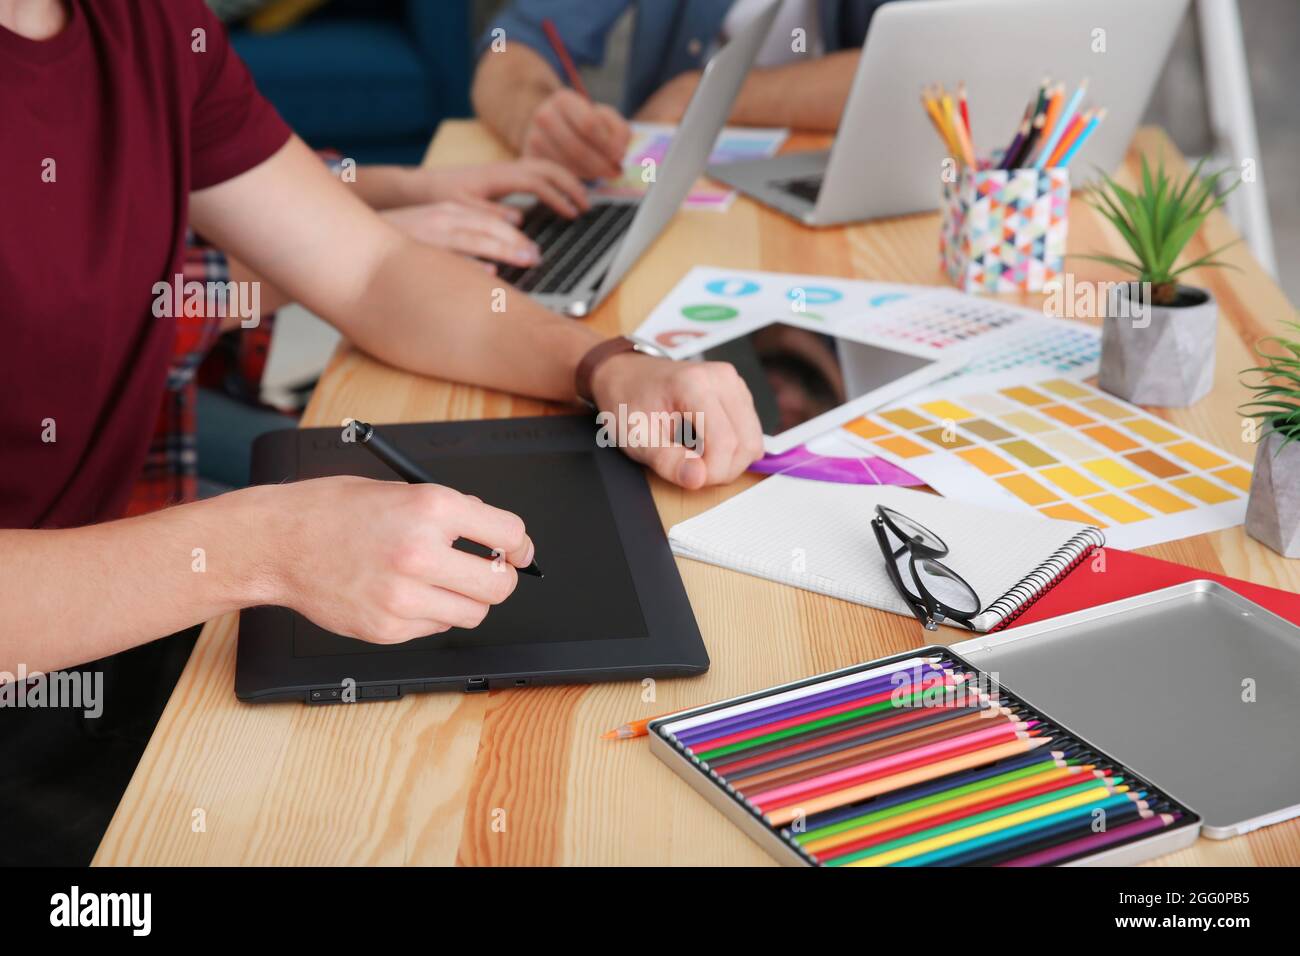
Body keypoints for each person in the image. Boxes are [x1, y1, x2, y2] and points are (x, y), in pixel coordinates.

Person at [0, 0, 763, 862]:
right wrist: (265, 547)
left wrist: (607, 367)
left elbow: (368, 269)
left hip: (116, 628)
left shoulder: (151, 25)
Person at [471, 0, 891, 180]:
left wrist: (700, 96)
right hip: (671, 193)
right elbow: (512, 43)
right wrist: (536, 115)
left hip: (837, 180)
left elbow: (923, 73)